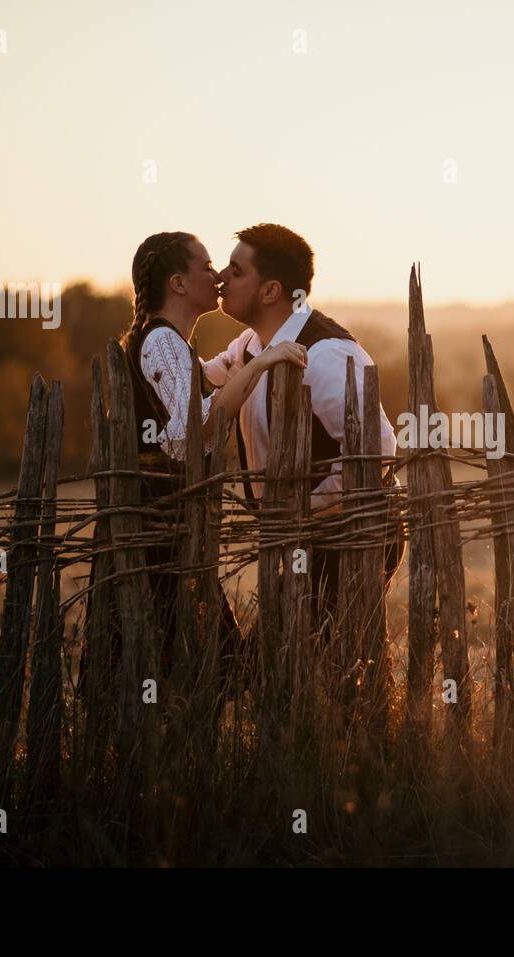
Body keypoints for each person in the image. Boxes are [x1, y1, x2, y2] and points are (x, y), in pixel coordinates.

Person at [118, 230, 307, 691]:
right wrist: (261, 365)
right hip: (161, 534)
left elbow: (203, 384)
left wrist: (250, 355)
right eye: (207, 267)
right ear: (179, 284)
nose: (218, 275)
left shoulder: (170, 344)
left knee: (199, 666)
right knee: (205, 666)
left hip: (172, 533)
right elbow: (189, 434)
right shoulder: (161, 341)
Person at [210, 223, 405, 637]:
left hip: (346, 537)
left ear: (270, 291)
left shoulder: (326, 353)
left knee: (318, 660)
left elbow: (379, 448)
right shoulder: (248, 345)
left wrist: (307, 509)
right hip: (300, 537)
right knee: (280, 658)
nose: (221, 278)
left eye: (235, 271)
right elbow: (202, 380)